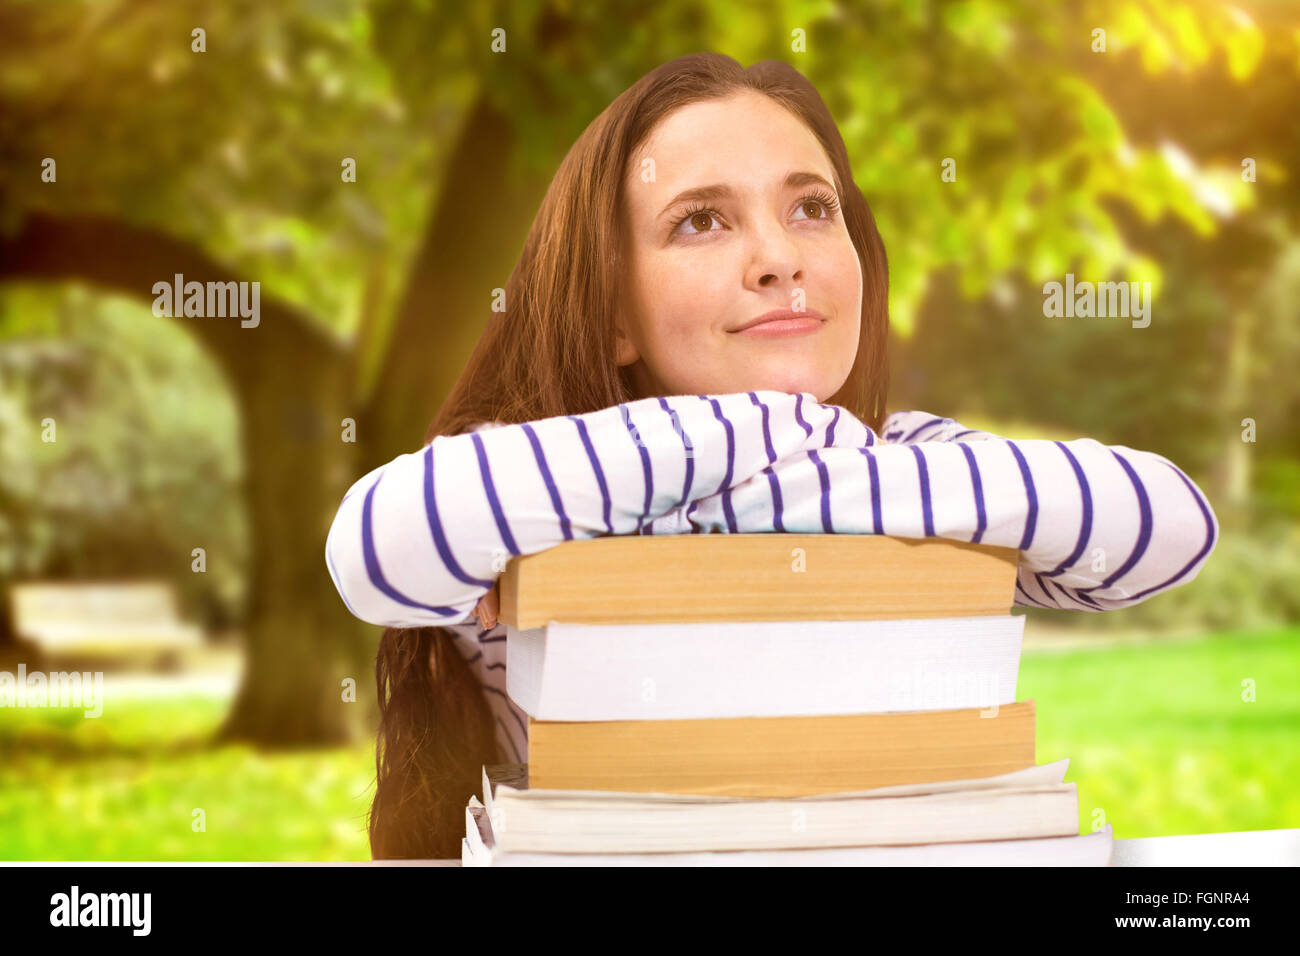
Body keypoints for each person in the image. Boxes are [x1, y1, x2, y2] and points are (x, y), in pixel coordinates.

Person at [324, 53, 1219, 860]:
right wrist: (757, 433)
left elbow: (1168, 524)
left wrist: (832, 472)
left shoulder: (894, 463)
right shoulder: (540, 486)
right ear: (611, 314)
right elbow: (375, 548)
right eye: (701, 221)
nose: (778, 257)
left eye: (812, 209)